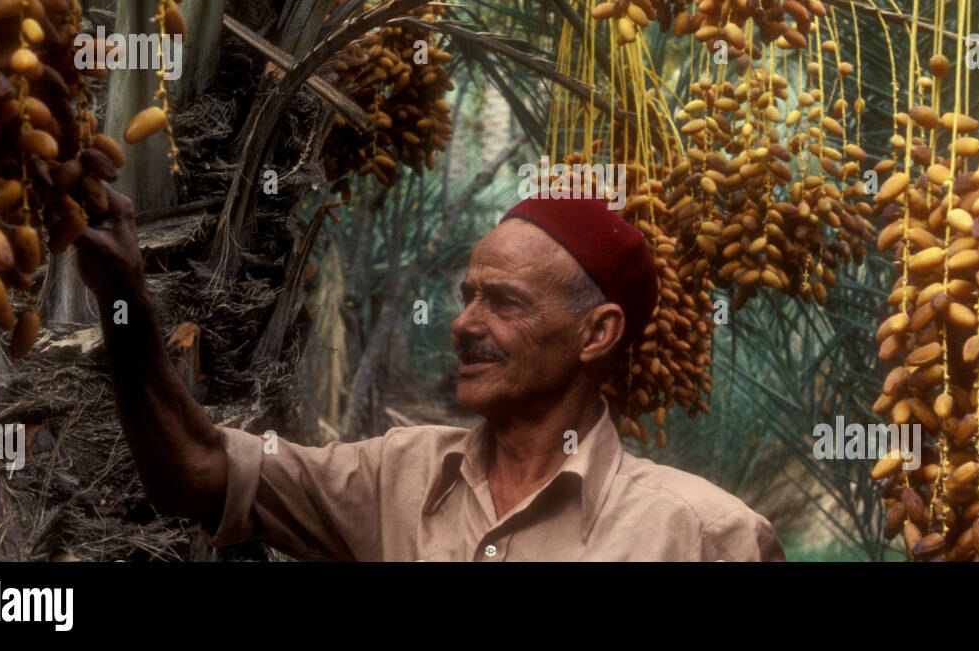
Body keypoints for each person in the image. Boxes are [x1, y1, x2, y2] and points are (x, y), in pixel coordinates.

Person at [74, 184, 785, 561]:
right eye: (467, 295)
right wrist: (125, 302)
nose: (464, 323)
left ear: (596, 333)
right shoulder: (397, 476)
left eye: (503, 302)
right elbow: (194, 471)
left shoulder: (704, 534)